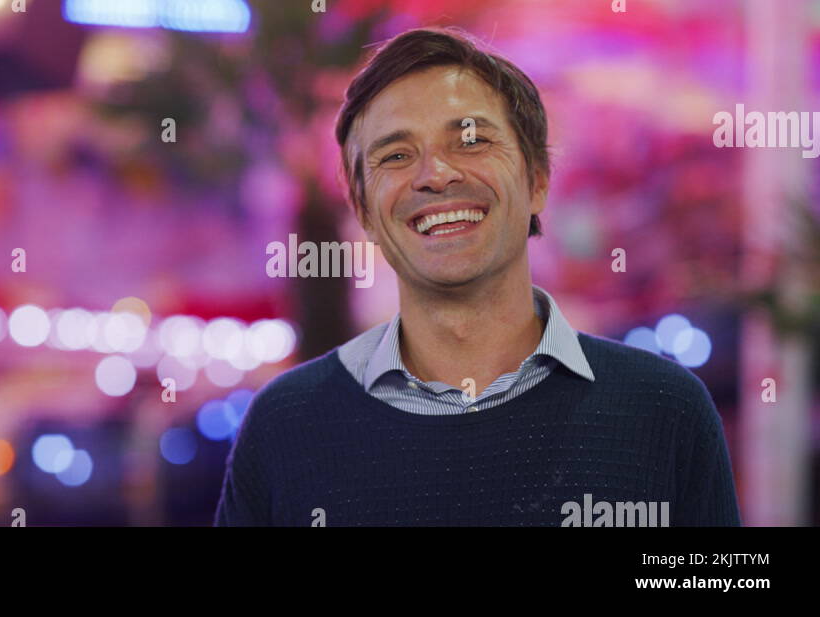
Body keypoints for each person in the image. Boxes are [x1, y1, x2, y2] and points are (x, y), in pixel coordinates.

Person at [214, 26, 741, 526]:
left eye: (470, 141)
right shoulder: (284, 426)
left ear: (536, 180)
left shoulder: (665, 411)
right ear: (366, 212)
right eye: (396, 155)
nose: (436, 174)